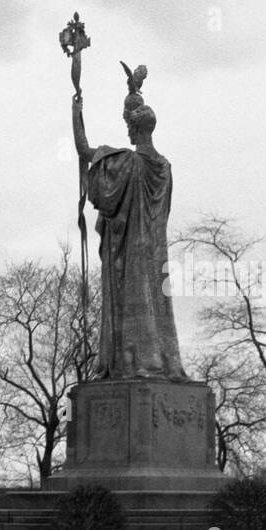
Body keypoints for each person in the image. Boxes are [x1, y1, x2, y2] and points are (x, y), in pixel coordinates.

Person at [71, 83, 186, 381]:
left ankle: (133, 362)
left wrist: (76, 112)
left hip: (130, 256)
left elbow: (84, 151)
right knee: (156, 305)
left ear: (134, 131)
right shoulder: (165, 167)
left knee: (130, 304)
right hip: (156, 255)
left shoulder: (126, 162)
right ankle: (158, 360)